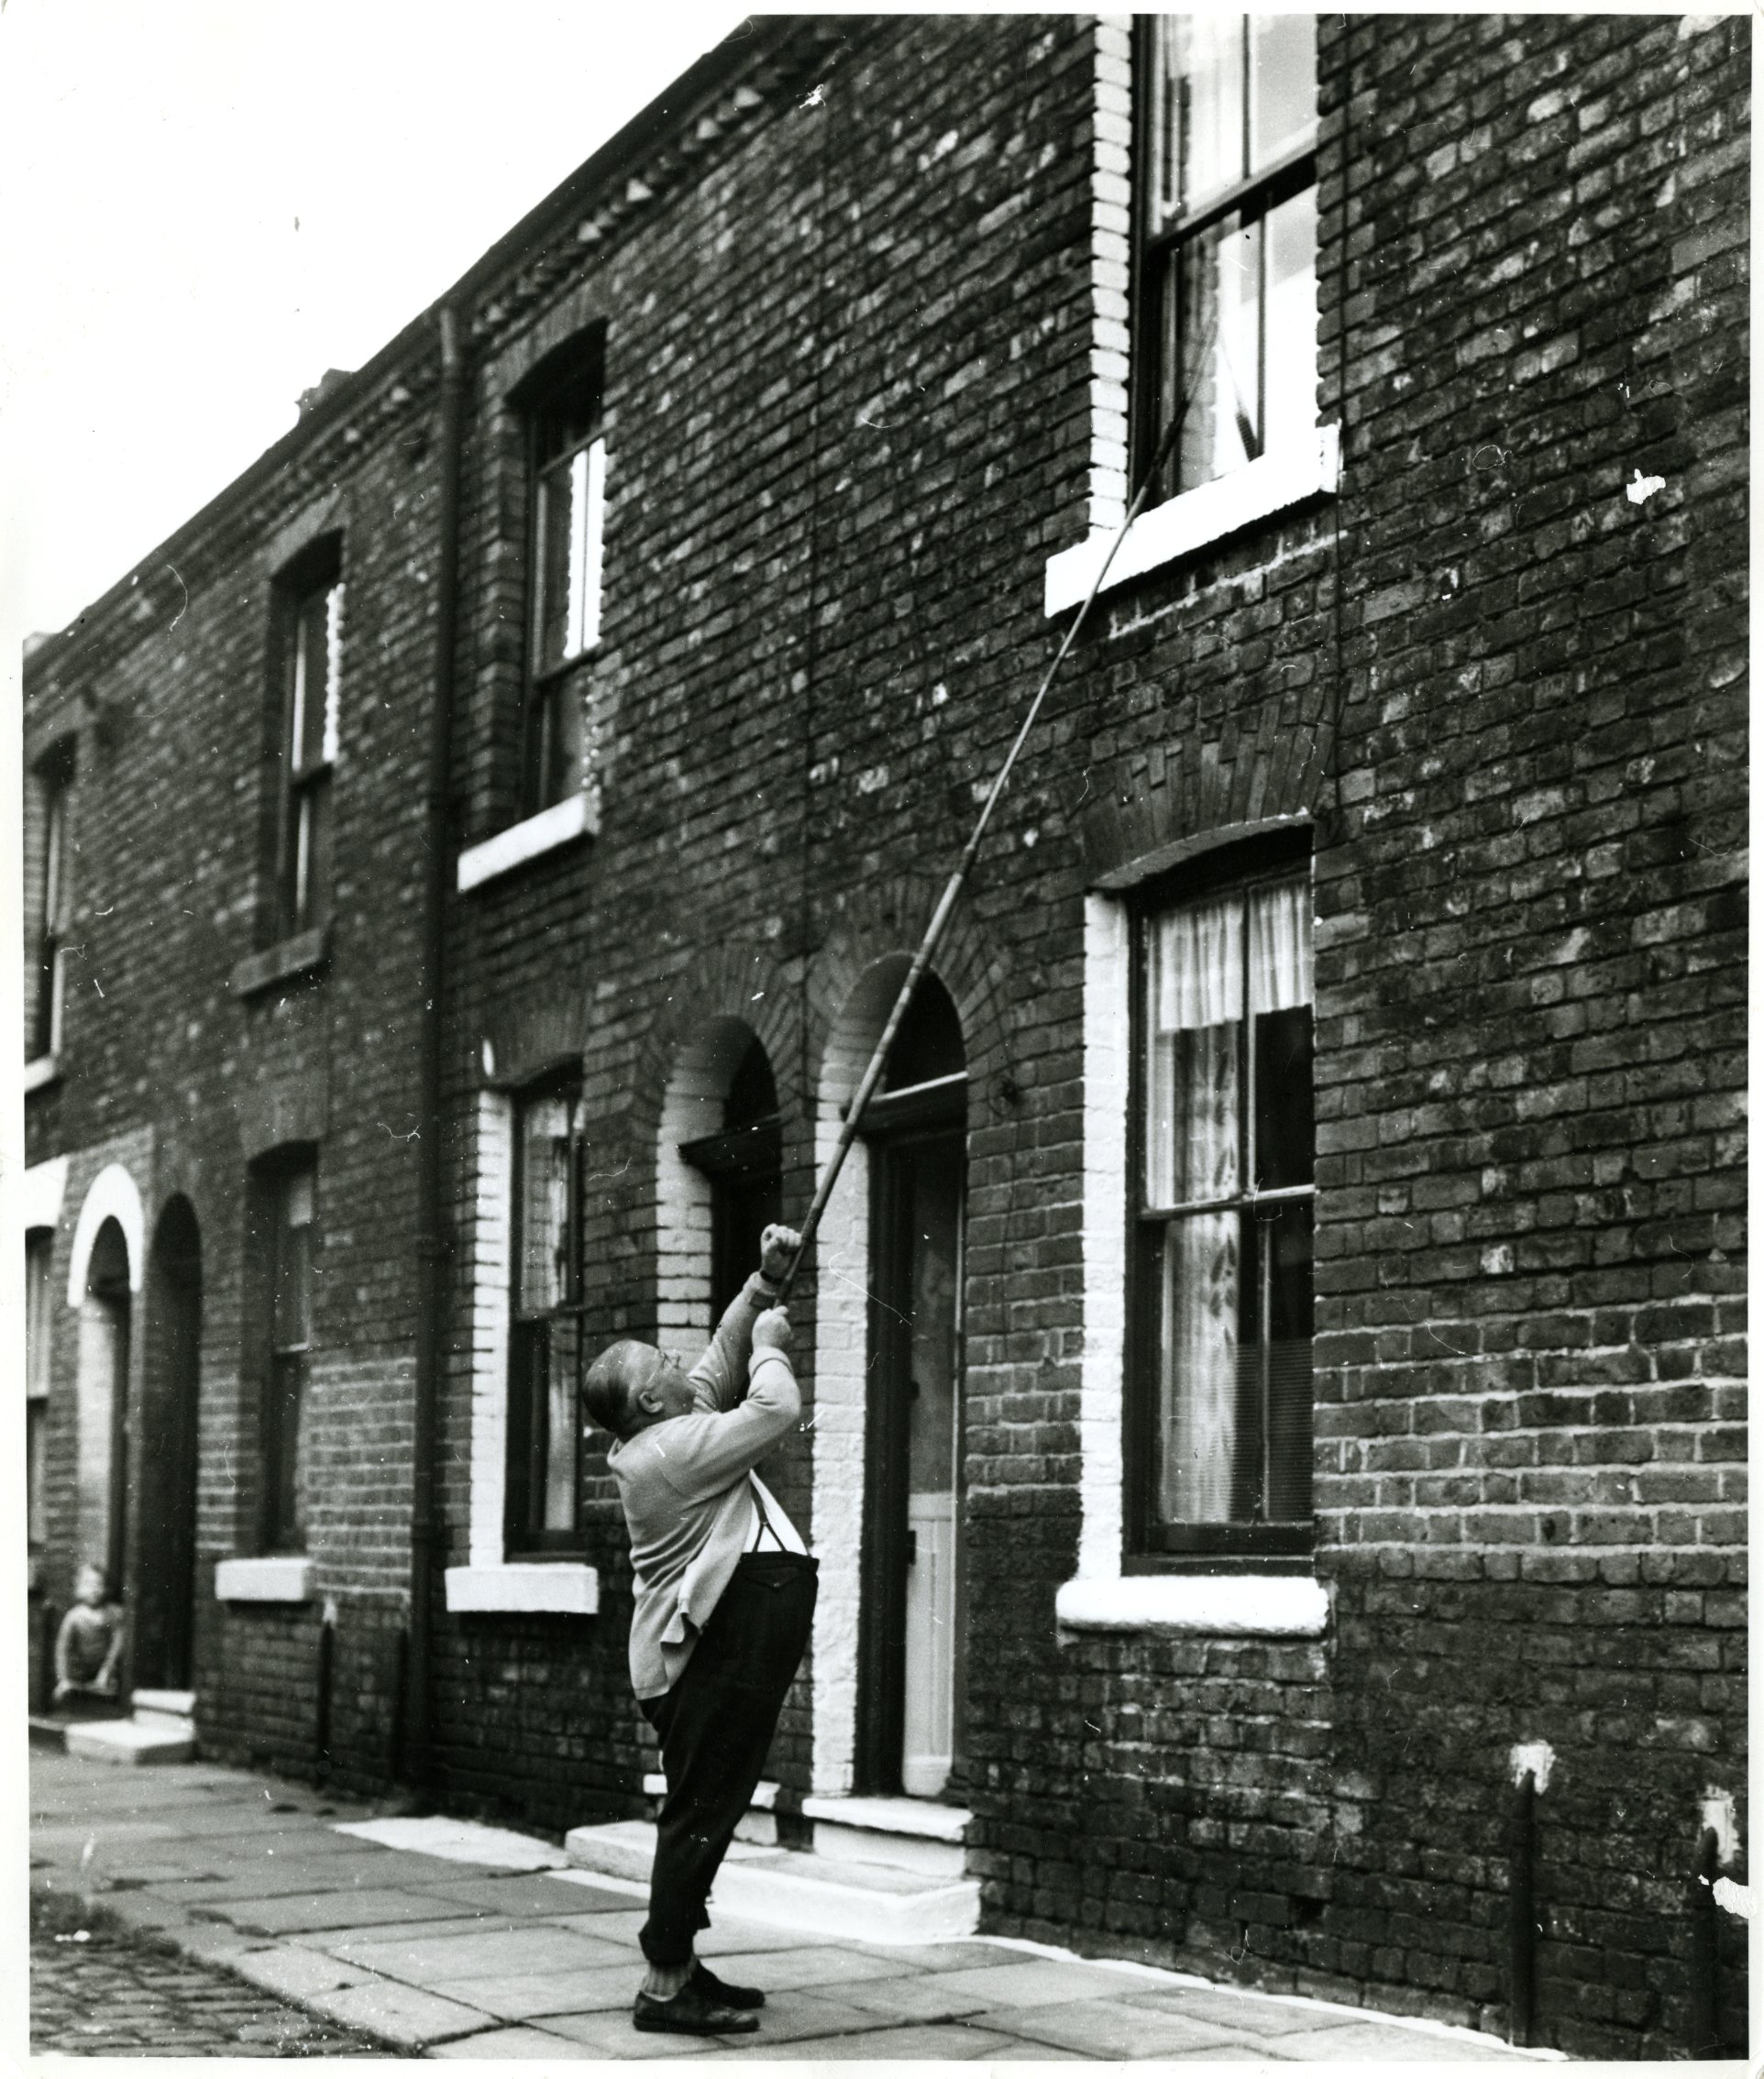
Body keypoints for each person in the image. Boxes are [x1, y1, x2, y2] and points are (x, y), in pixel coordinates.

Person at [583, 1221, 814, 2039]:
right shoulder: (673, 1452)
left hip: (709, 1646)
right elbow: (774, 1402)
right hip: (698, 1657)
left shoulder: (666, 1429)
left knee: (707, 1804)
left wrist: (762, 1283)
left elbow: (717, 1357)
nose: (683, 1367)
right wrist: (774, 1342)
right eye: (665, 1367)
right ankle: (664, 1983)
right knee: (700, 1810)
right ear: (651, 1401)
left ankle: (679, 1962)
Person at [54, 1563, 126, 1707]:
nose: (94, 1589)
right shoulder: (74, 1616)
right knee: (70, 1694)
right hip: (81, 1673)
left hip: (106, 1670)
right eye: (88, 1584)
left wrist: (107, 1670)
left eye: (98, 1584)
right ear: (79, 1588)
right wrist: (63, 1679)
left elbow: (118, 1643)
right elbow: (62, 1650)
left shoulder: (112, 1613)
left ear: (105, 1588)